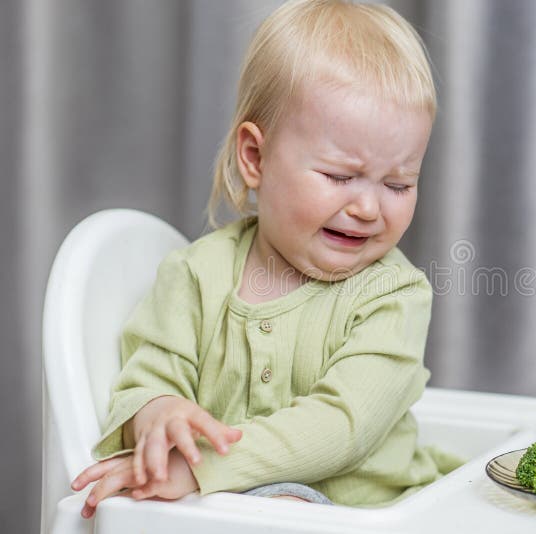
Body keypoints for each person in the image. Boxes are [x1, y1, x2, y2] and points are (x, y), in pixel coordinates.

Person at [70, 0, 463, 519]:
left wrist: (202, 466)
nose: (368, 207)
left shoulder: (394, 295)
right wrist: (157, 412)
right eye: (340, 177)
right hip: (225, 516)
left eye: (398, 184)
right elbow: (144, 381)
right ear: (255, 157)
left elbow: (343, 425)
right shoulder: (194, 277)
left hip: (373, 515)